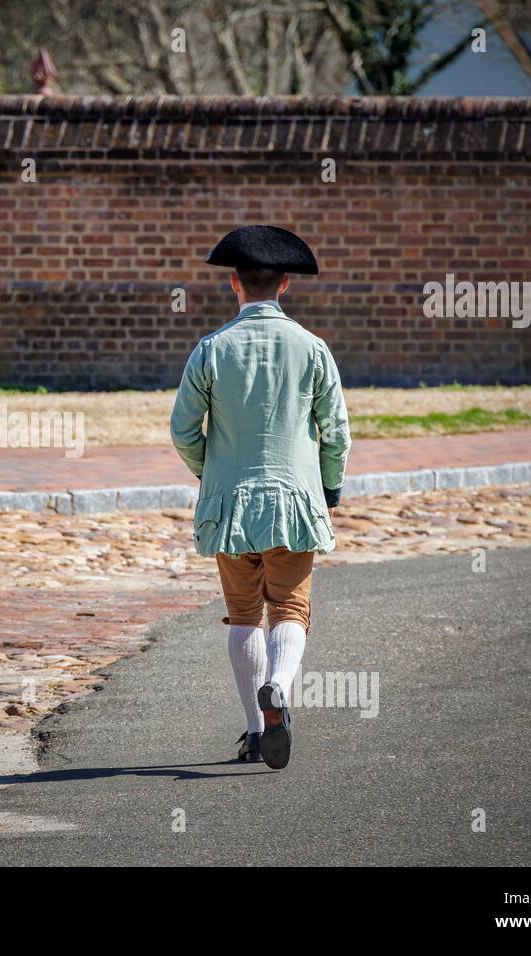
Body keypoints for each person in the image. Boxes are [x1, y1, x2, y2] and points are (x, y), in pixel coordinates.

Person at [169, 225, 351, 770]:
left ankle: (254, 729)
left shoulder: (211, 349)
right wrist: (330, 483)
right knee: (291, 609)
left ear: (234, 284)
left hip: (231, 506)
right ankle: (279, 685)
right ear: (286, 285)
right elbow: (335, 430)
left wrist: (213, 473)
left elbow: (183, 430)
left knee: (244, 616)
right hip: (295, 502)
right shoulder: (312, 348)